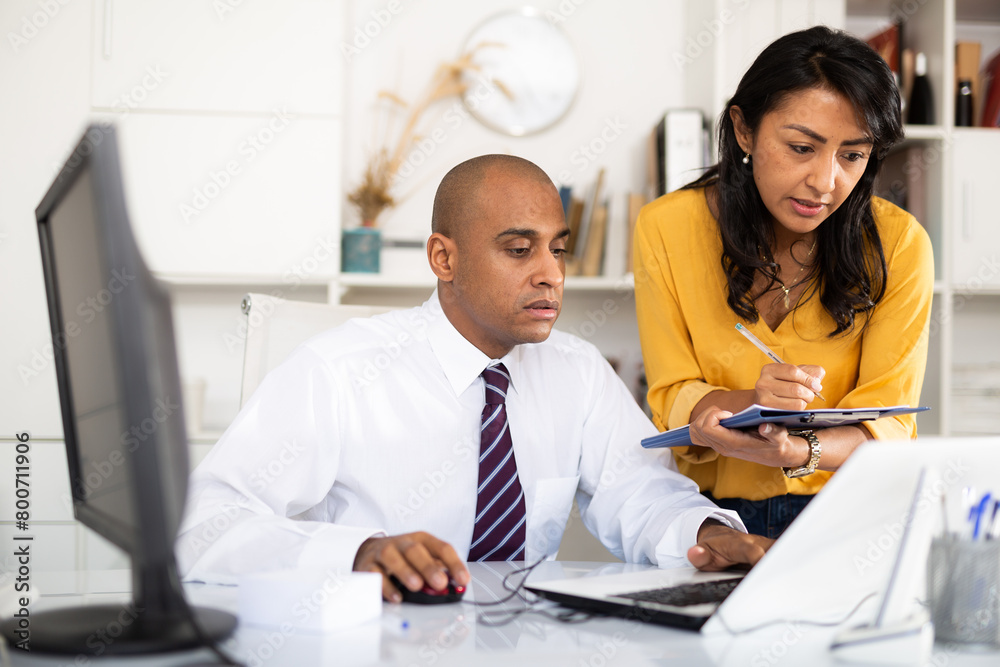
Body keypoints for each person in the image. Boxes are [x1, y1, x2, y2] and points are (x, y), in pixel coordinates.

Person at [177, 154, 772, 601]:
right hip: (379, 643)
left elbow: (642, 497)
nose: (551, 276)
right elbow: (205, 526)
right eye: (519, 250)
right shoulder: (338, 371)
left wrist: (707, 532)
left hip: (524, 644)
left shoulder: (578, 372)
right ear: (444, 258)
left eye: (558, 250)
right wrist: (358, 553)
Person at [634, 26, 933, 539]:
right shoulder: (666, 227)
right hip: (707, 515)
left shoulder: (898, 243)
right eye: (801, 147)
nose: (825, 181)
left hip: (848, 513)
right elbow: (672, 394)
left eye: (852, 155)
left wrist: (797, 449)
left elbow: (891, 426)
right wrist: (749, 401)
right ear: (744, 129)